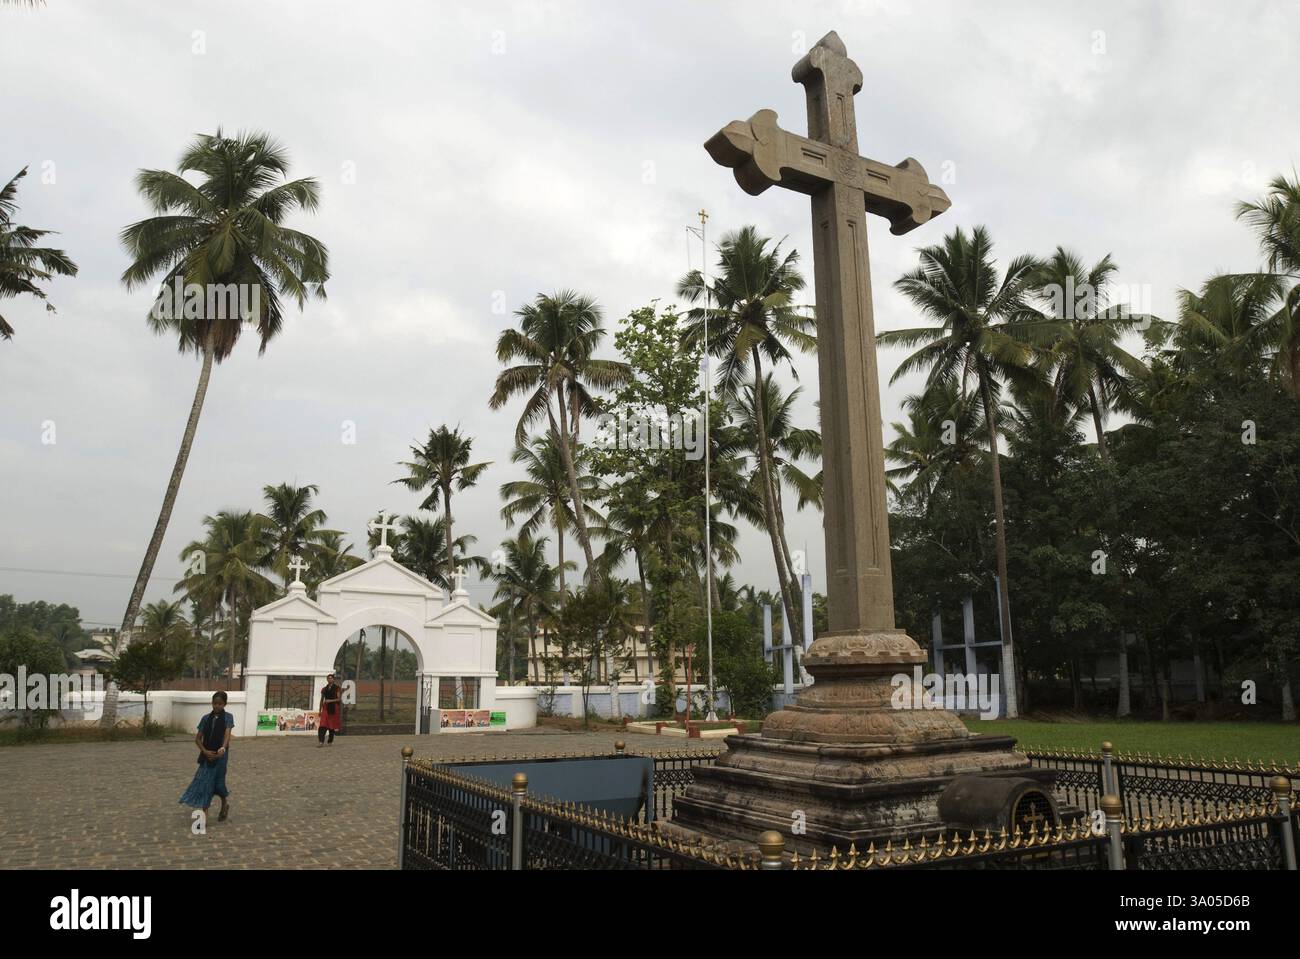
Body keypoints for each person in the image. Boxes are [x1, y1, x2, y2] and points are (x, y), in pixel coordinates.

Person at [179, 691, 234, 820]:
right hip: (206, 756)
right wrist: (205, 751)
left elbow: (227, 735)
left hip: (221, 756)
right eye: (215, 703)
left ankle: (224, 804)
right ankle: (204, 812)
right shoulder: (205, 718)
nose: (217, 706)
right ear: (212, 703)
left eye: (220, 704)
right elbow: (198, 739)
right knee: (205, 782)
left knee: (219, 783)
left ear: (225, 704)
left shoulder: (228, 717)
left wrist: (222, 748)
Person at [318, 673, 342, 746]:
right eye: (328, 678)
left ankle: (330, 741)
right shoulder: (324, 689)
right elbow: (322, 700)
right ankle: (321, 741)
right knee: (322, 725)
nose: (330, 679)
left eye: (331, 678)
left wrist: (330, 701)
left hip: (334, 708)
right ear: (327, 679)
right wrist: (320, 710)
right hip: (325, 708)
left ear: (333, 679)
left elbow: (339, 699)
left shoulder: (337, 688)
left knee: (331, 726)